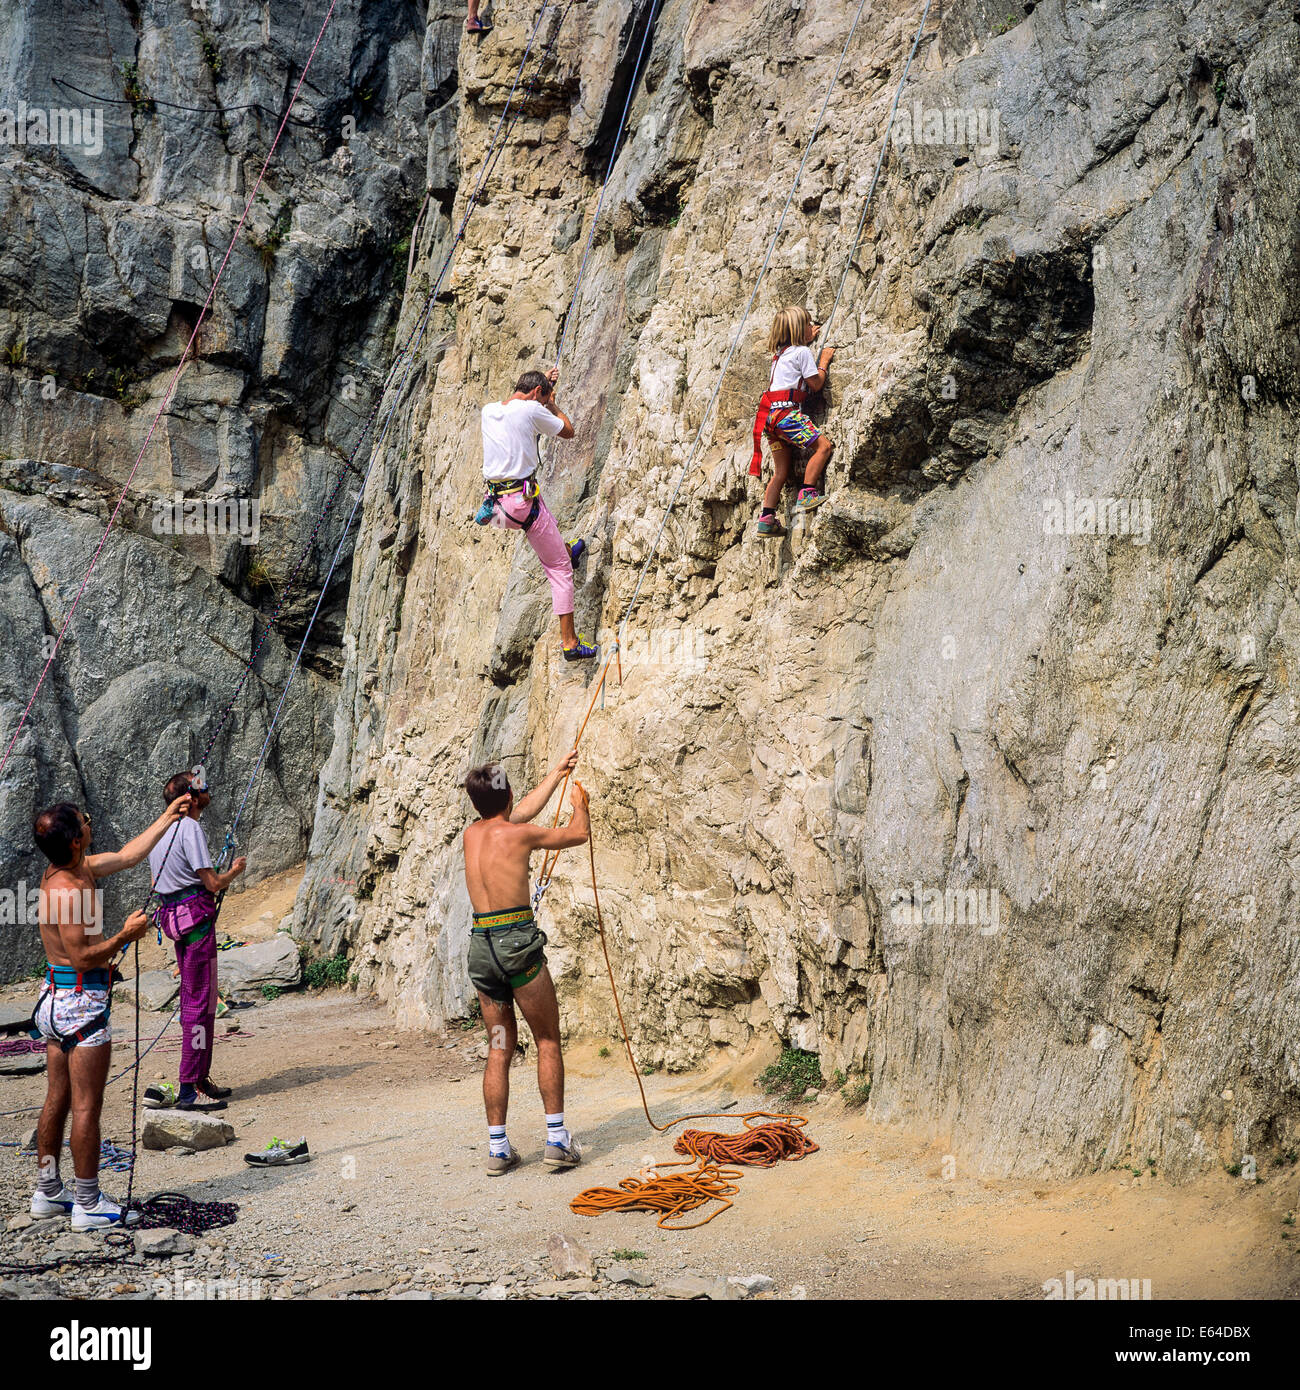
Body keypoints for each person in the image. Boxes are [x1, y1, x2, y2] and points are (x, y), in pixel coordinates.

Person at [30, 792, 192, 1230]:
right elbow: (83, 957)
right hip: (79, 1005)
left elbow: (125, 856)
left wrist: (167, 816)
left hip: (55, 1000)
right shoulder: (71, 892)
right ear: (77, 841)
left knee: (58, 1098)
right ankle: (87, 1203)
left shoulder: (66, 868)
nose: (89, 820)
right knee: (86, 1107)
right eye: (83, 821)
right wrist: (125, 934)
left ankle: (48, 1193)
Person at [461, 748, 589, 1175]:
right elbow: (577, 835)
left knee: (500, 1048)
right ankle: (557, 1140)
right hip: (517, 944)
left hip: (482, 948)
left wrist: (555, 775)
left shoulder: (473, 834)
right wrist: (580, 806)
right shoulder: (520, 835)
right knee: (547, 1040)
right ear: (509, 796)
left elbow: (515, 813)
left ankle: (498, 1149)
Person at [478, 367, 596, 661]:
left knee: (543, 511)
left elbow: (523, 402)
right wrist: (552, 404)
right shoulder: (534, 408)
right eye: (542, 399)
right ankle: (569, 643)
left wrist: (540, 387)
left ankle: (567, 550)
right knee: (559, 571)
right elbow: (568, 431)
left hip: (495, 508)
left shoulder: (489, 410)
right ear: (537, 394)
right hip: (519, 506)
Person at [147, 770, 247, 1111]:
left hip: (177, 922)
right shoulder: (189, 827)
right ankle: (189, 1089)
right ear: (189, 798)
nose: (208, 790)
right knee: (198, 1006)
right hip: (196, 922)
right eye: (202, 787)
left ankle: (200, 1078)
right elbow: (212, 883)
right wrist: (233, 872)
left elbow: (159, 883)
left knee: (201, 1002)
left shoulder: (159, 830)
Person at [750, 305, 835, 535]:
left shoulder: (779, 356)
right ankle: (808, 492)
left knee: (780, 472)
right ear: (799, 330)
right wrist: (824, 361)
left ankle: (766, 519)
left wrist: (806, 341)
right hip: (787, 416)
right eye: (808, 324)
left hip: (770, 420)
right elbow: (816, 384)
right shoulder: (802, 353)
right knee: (824, 447)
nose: (812, 327)